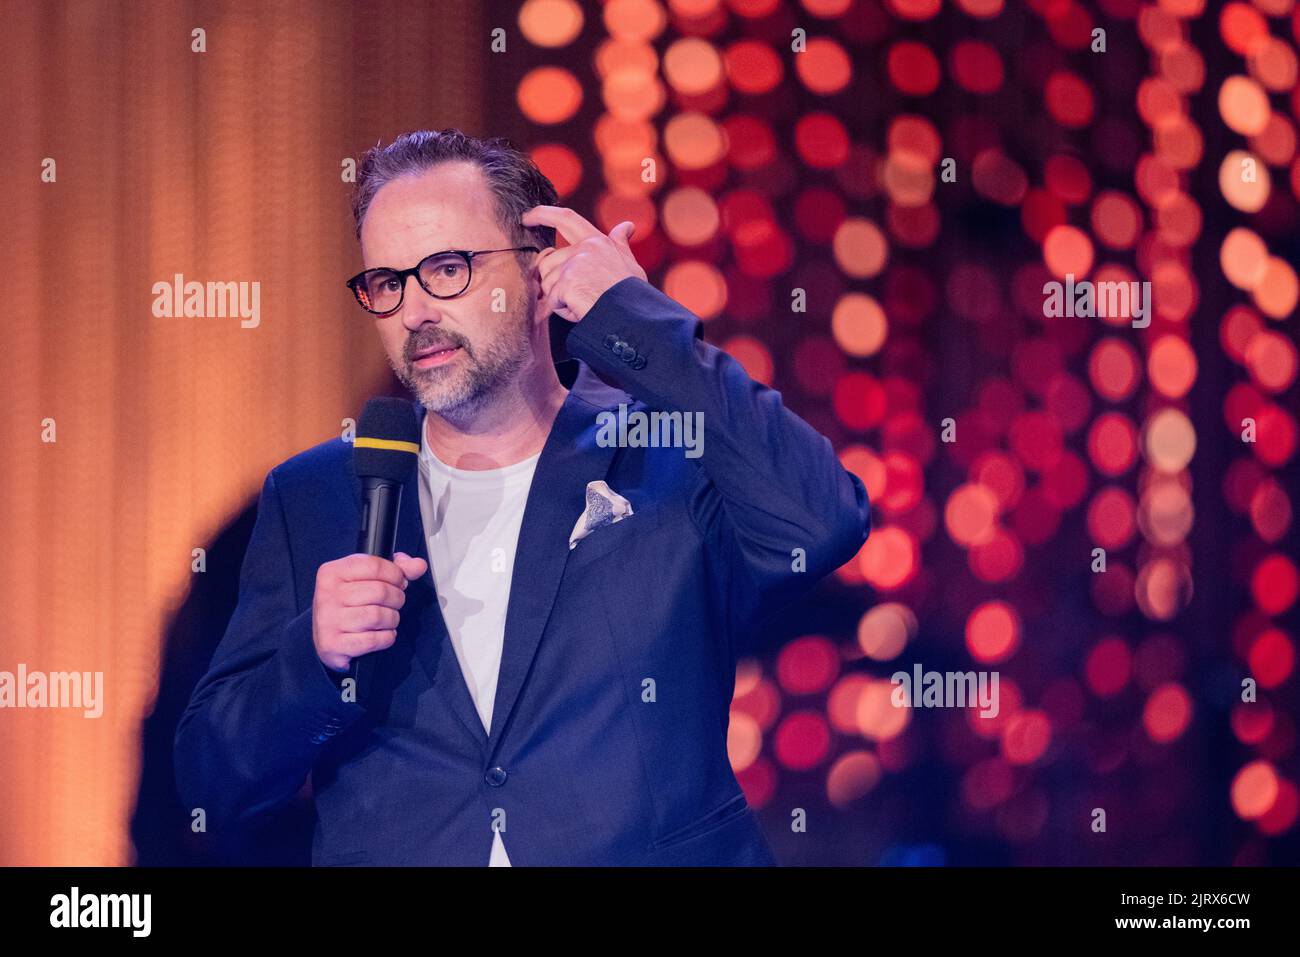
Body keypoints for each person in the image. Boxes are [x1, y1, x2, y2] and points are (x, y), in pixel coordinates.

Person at [175, 129, 871, 865]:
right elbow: (208, 785)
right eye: (387, 282)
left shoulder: (664, 453)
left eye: (448, 268)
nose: (414, 312)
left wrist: (639, 320)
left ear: (542, 275)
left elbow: (822, 524)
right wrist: (310, 658)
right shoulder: (316, 496)